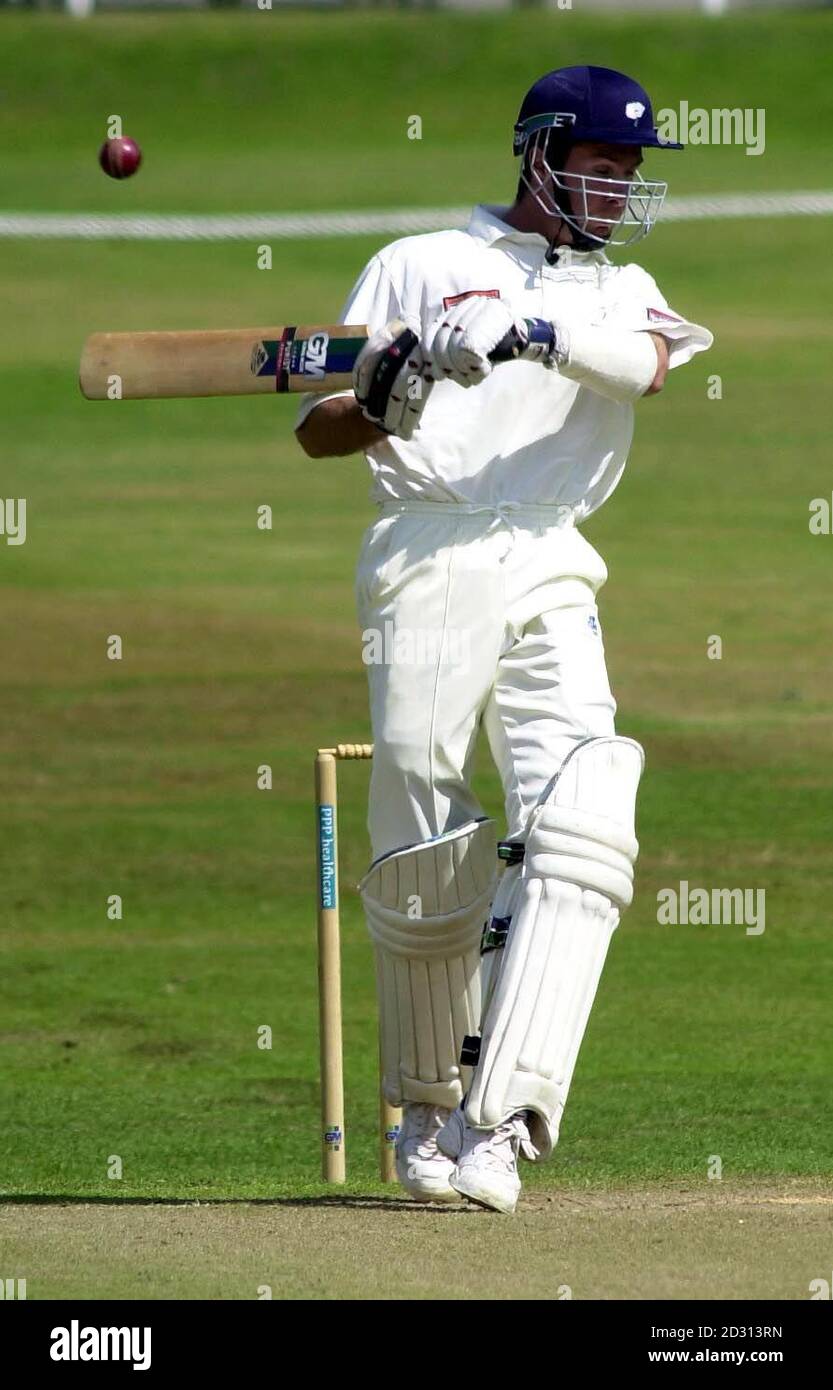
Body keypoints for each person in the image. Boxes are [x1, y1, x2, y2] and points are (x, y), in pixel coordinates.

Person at [296, 65, 713, 1214]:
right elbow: (319, 431)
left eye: (633, 172)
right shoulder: (417, 262)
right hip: (425, 548)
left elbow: (649, 366)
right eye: (601, 165)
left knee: (582, 822)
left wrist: (530, 333)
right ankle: (428, 1108)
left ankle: (504, 1124)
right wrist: (400, 381)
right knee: (424, 824)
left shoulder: (620, 288)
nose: (621, 189)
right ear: (538, 155)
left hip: (550, 551)